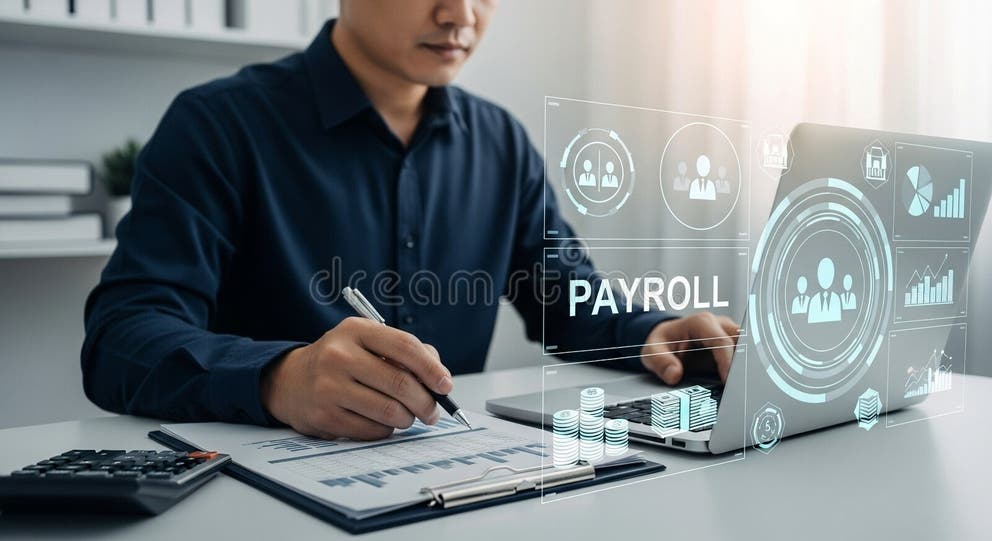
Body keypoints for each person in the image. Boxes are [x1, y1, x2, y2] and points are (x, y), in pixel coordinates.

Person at [82, 0, 739, 441]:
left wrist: (654, 330)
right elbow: (120, 338)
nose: (460, 14)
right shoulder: (218, 127)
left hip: (459, 481)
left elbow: (564, 297)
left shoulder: (500, 143)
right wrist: (278, 377)